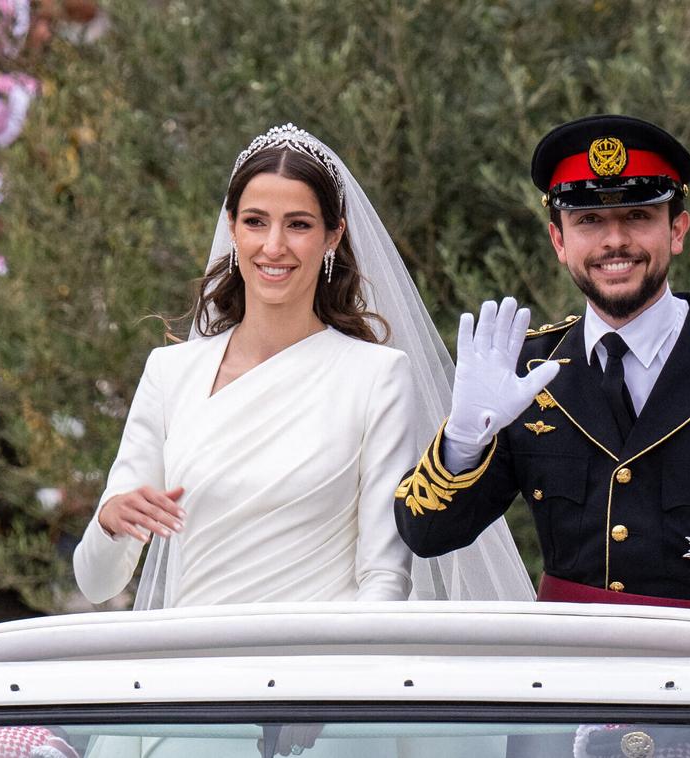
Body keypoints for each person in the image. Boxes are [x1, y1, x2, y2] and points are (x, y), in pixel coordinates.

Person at [395, 114, 690, 630]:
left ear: (677, 230)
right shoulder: (525, 371)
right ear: (558, 240)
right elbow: (427, 536)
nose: (615, 241)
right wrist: (462, 441)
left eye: (637, 215)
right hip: (567, 664)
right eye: (589, 220)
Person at [74, 123, 534, 609]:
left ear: (333, 235)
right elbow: (95, 583)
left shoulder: (377, 376)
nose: (274, 246)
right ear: (231, 228)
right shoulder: (170, 373)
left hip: (320, 654)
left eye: (298, 225)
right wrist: (110, 521)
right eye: (255, 222)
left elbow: (384, 575)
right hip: (194, 653)